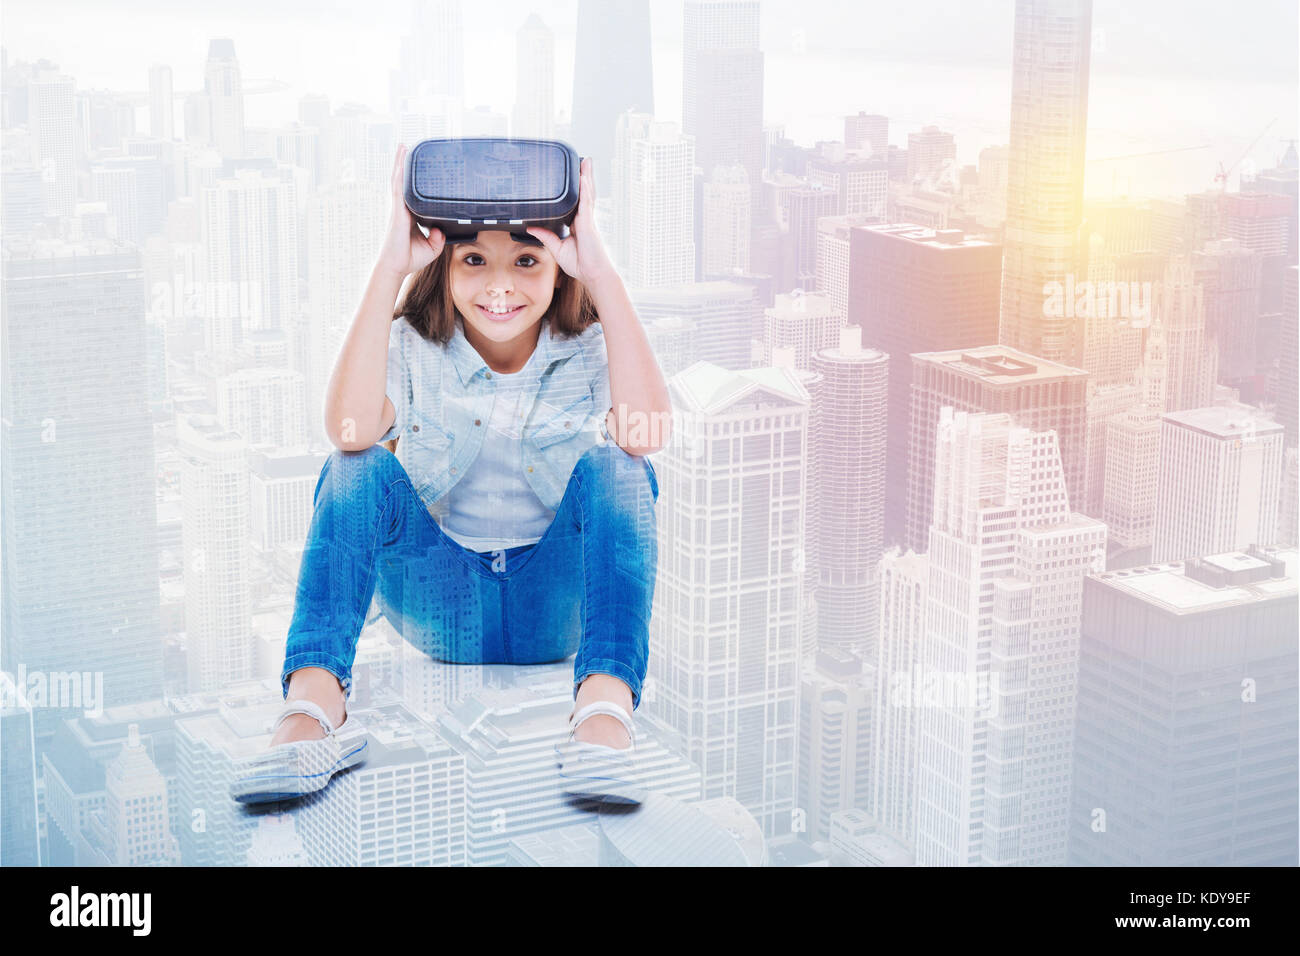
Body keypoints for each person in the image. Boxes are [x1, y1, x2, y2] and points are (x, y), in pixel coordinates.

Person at [231, 143, 672, 805]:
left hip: (556, 606)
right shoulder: (413, 345)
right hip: (442, 602)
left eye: (527, 260)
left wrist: (602, 273)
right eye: (474, 260)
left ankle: (604, 715)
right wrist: (390, 262)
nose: (500, 286)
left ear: (559, 268)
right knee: (358, 466)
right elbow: (350, 431)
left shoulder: (587, 346)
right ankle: (315, 709)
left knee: (621, 467)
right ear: (444, 267)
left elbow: (647, 433)